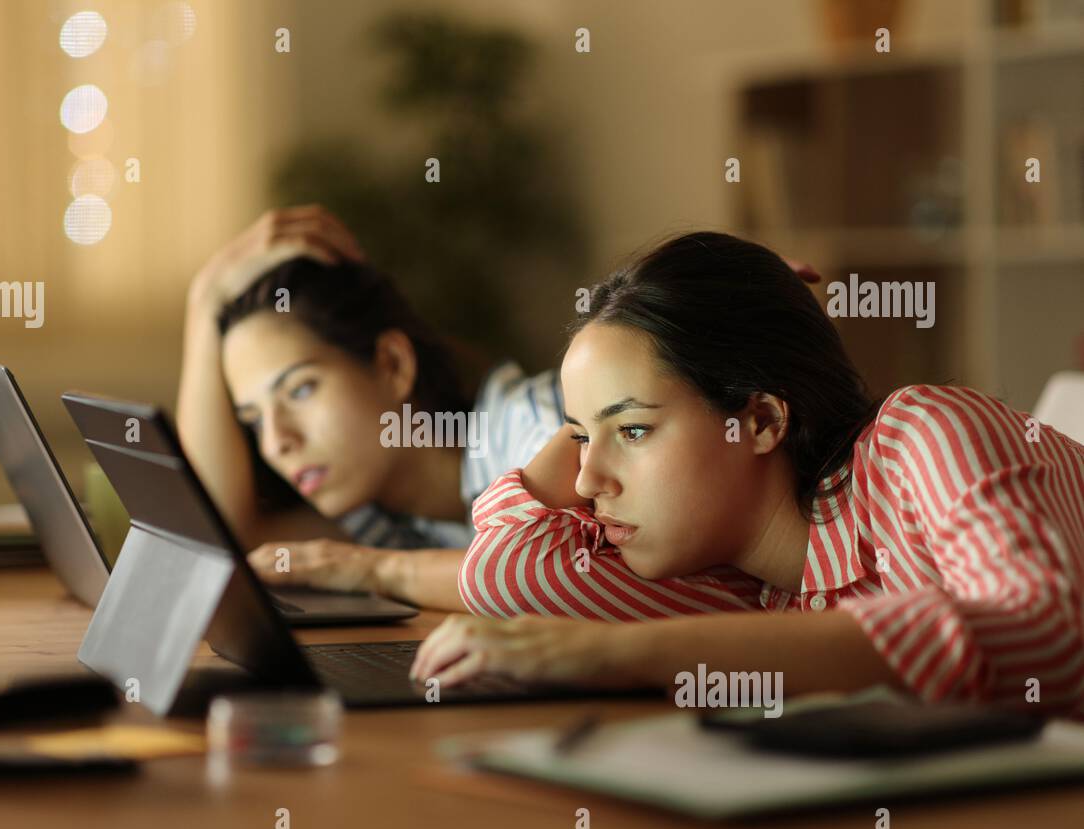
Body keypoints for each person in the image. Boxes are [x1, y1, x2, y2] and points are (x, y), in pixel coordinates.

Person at [411, 231, 1084, 718]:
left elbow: (1046, 636)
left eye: (634, 430)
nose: (587, 482)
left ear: (760, 420)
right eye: (581, 438)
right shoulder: (740, 593)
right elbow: (505, 573)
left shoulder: (926, 433)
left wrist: (620, 653)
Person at [177, 205, 566, 610]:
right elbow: (217, 539)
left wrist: (378, 569)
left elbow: (570, 569)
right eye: (254, 421)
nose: (276, 443)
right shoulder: (377, 514)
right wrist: (204, 302)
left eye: (300, 390)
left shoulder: (536, 426)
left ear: (392, 365)